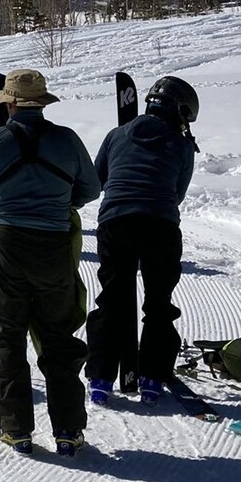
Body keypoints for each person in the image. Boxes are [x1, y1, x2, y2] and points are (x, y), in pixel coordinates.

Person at [0, 68, 101, 457]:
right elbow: (90, 188)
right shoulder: (67, 139)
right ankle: (69, 430)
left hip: (7, 240)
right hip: (55, 241)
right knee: (58, 332)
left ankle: (16, 427)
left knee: (9, 332)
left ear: (8, 102)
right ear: (41, 103)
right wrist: (57, 200)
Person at [86, 76, 199, 407]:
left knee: (112, 300)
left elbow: (97, 180)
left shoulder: (116, 134)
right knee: (159, 303)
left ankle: (101, 378)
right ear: (179, 111)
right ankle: (152, 377)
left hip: (115, 222)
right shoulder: (181, 144)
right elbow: (177, 193)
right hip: (161, 225)